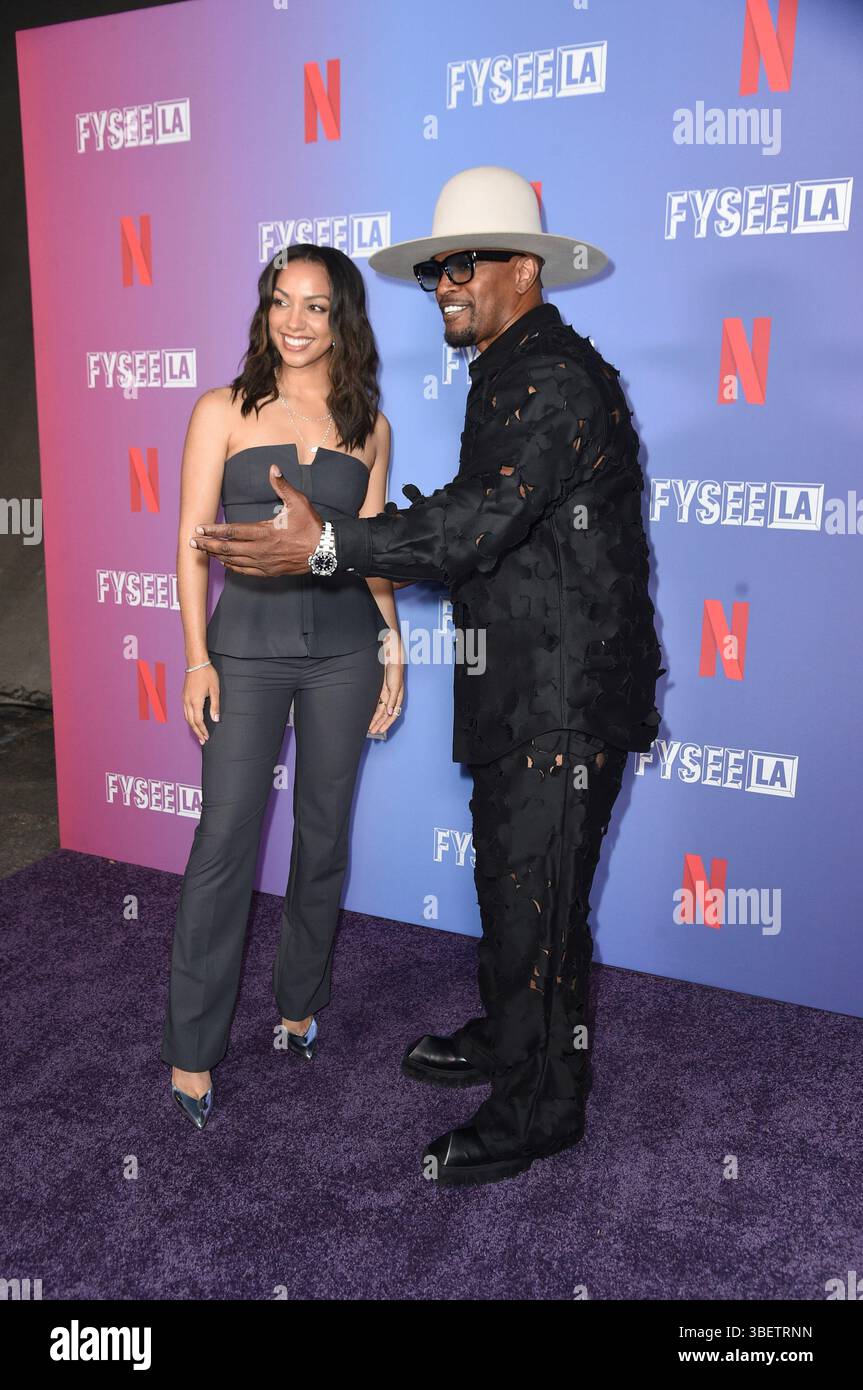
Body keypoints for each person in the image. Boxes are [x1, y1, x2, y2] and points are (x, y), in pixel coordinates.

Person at [192, 165, 665, 1182]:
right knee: (510, 881)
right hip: (525, 690)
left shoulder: (548, 377)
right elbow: (475, 515)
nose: (444, 283)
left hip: (564, 697)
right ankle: (509, 1035)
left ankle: (540, 1104)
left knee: (537, 892)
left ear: (523, 269)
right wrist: (373, 543)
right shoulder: (509, 368)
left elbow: (471, 525)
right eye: (432, 271)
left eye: (461, 264)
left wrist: (331, 546)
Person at [161, 244, 404, 1130]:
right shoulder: (221, 410)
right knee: (224, 841)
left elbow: (373, 550)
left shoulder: (369, 424)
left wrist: (396, 646)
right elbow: (193, 544)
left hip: (345, 650)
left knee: (323, 832)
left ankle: (299, 1005)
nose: (294, 323)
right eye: (280, 302)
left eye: (314, 307)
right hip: (247, 655)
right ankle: (192, 1049)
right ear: (264, 310)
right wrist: (196, 657)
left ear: (342, 319)